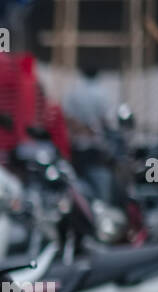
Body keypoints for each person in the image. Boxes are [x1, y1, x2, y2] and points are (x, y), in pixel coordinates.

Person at [63, 63, 115, 203]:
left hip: (77, 146)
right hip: (95, 148)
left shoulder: (74, 92)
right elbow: (107, 120)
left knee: (77, 186)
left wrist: (81, 129)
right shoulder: (102, 93)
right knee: (100, 190)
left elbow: (67, 117)